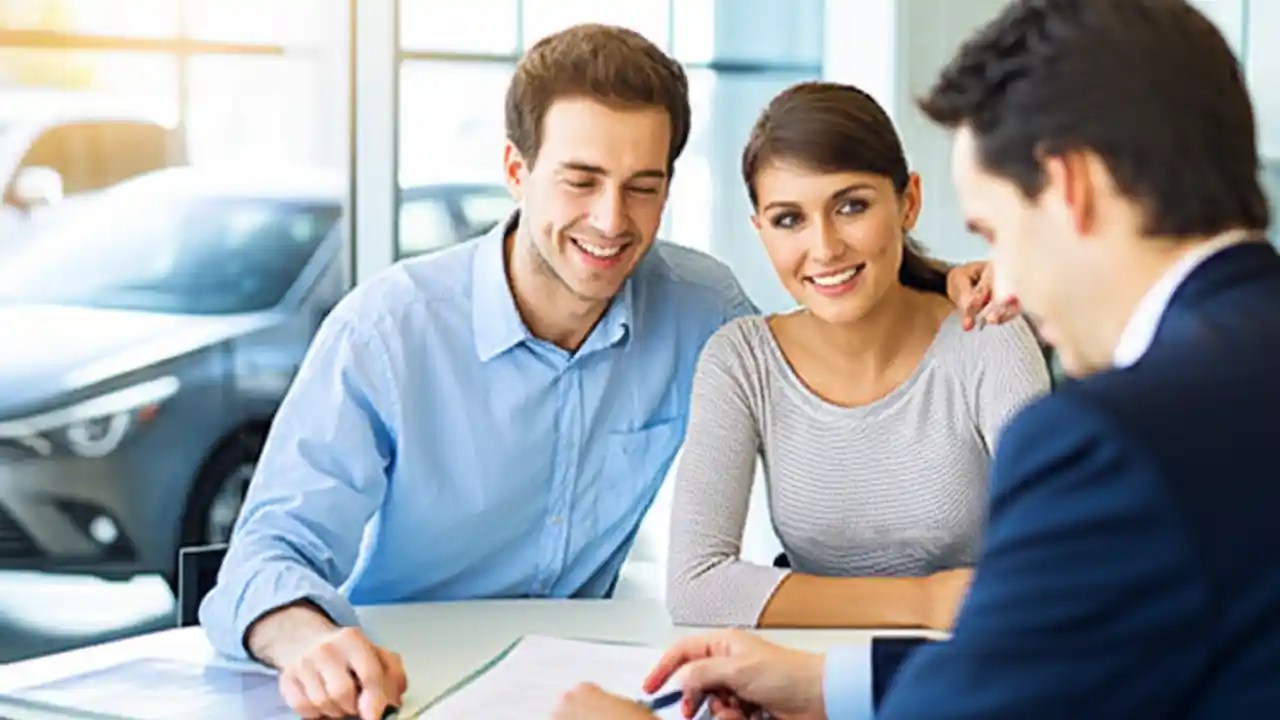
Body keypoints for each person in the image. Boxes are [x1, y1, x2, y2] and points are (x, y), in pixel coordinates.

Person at [197, 22, 990, 720]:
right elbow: (264, 557)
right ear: (516, 170)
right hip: (396, 689)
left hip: (574, 685)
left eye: (642, 189)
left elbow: (825, 337)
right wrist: (308, 642)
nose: (612, 222)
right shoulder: (388, 330)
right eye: (580, 181)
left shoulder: (702, 306)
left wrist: (941, 284)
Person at [553, 0, 1280, 717]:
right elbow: (1060, 646)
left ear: (1069, 189)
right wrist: (828, 682)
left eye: (995, 230)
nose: (1001, 281)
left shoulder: (1112, 442)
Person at [665, 81, 1049, 632]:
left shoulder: (986, 335)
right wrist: (926, 601)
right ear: (761, 231)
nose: (824, 248)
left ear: (908, 202)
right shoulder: (740, 360)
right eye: (788, 219)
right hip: (803, 677)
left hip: (973, 655)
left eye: (851, 206)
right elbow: (696, 587)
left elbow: (1056, 549)